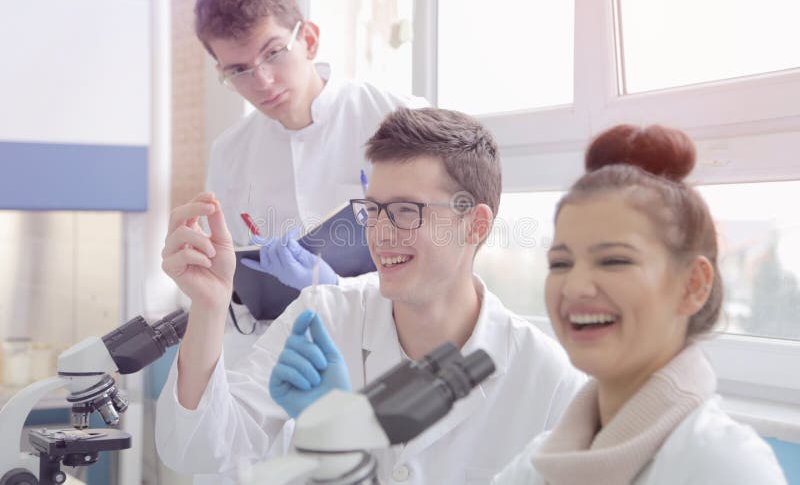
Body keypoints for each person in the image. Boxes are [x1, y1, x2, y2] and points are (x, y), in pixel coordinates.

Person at [157, 108, 585, 484]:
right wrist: (210, 306)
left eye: (404, 211)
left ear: (474, 225)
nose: (379, 234)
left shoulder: (549, 383)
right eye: (373, 210)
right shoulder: (322, 316)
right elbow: (201, 448)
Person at [492, 124, 787, 484]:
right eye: (561, 263)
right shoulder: (544, 459)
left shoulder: (723, 466)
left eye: (614, 260)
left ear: (693, 285)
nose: (575, 287)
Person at [194, 0, 426, 352]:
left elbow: (442, 260)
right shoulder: (229, 154)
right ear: (221, 72)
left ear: (310, 40)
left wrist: (335, 288)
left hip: (393, 345)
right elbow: (236, 295)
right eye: (239, 70)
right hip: (282, 354)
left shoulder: (398, 118)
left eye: (273, 53)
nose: (262, 81)